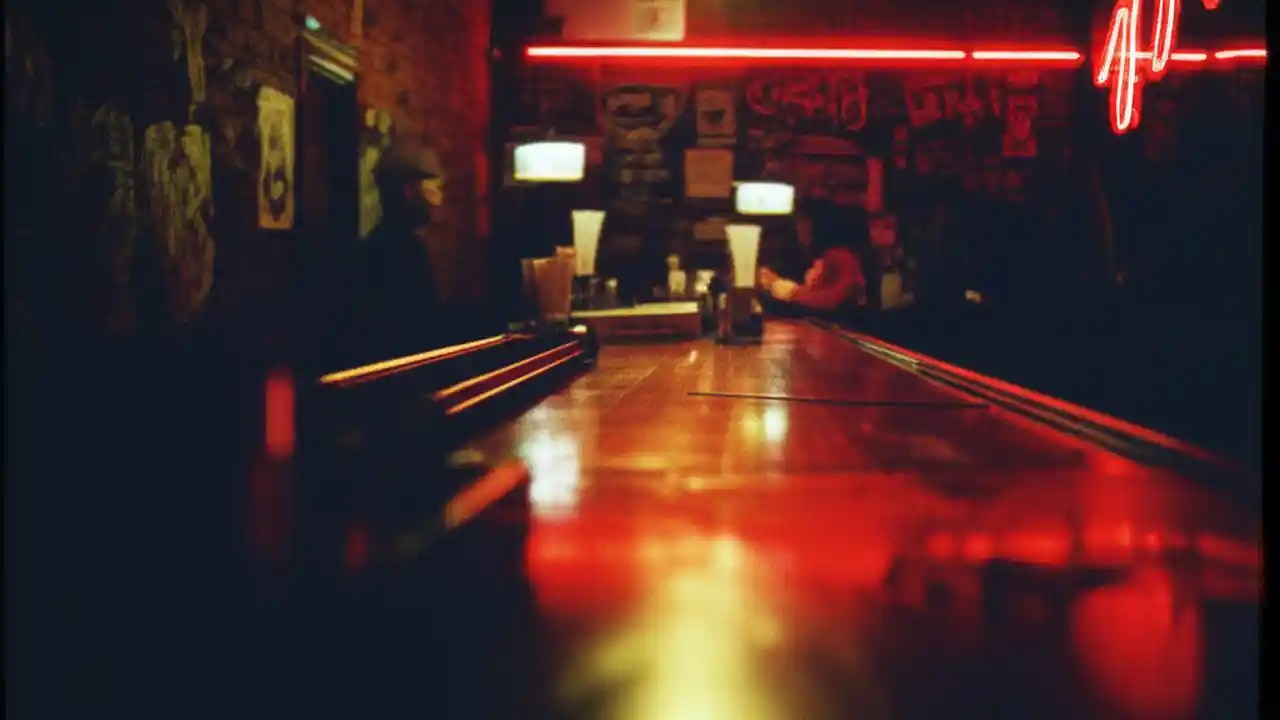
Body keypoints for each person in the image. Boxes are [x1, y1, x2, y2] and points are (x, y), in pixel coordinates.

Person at [356, 141, 447, 360]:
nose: (440, 199)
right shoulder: (400, 253)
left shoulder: (383, 244)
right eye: (433, 188)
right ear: (409, 190)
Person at [757, 200, 868, 318]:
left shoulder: (842, 256)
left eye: (804, 222)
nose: (800, 228)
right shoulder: (806, 255)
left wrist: (790, 292)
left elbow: (835, 299)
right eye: (799, 223)